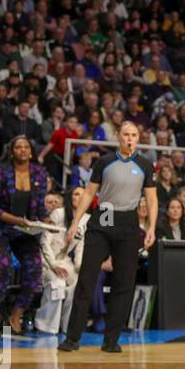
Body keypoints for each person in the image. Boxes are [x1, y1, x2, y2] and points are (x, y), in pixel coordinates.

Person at [58, 121, 157, 353]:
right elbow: (90, 193)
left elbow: (151, 199)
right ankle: (72, 338)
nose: (129, 138)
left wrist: (151, 227)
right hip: (105, 216)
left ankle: (111, 340)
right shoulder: (104, 162)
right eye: (125, 134)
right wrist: (74, 222)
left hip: (128, 222)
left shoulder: (145, 165)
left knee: (123, 283)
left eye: (134, 134)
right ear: (117, 136)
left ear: (138, 138)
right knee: (87, 278)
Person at [0, 135, 49, 333]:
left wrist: (45, 220)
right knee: (2, 268)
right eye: (18, 147)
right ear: (12, 151)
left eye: (26, 147)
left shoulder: (39, 173)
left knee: (34, 270)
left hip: (25, 230)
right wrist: (17, 220)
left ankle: (17, 313)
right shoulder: (0, 173)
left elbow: (39, 206)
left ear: (31, 152)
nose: (23, 150)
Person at [35, 188, 89, 335]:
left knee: (78, 284)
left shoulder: (86, 219)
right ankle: (47, 327)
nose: (78, 197)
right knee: (57, 282)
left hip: (64, 260)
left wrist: (80, 267)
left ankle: (67, 327)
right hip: (47, 259)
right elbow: (44, 241)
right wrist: (52, 265)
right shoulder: (59, 213)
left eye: (82, 194)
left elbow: (80, 248)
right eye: (76, 194)